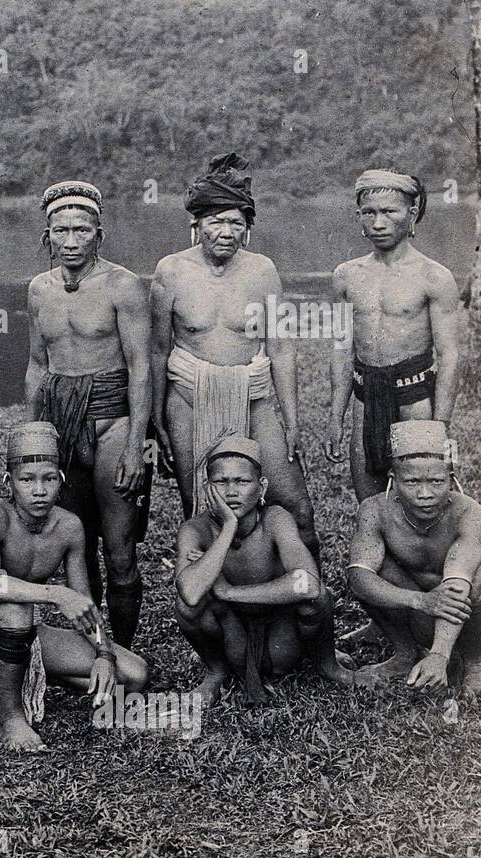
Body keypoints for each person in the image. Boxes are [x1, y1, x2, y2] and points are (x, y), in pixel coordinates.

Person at [150, 152, 319, 562]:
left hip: (252, 394)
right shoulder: (170, 272)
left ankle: (307, 601)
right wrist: (157, 423)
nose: (225, 231)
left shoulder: (263, 271)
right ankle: (219, 610)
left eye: (235, 223)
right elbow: (157, 351)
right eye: (216, 221)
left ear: (247, 230)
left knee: (296, 505)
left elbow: (280, 346)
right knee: (207, 510)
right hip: (189, 396)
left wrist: (292, 420)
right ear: (196, 225)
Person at [0, 422, 148, 752]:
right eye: (27, 480)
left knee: (134, 673)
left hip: (29, 632)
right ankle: (11, 720)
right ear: (10, 482)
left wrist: (104, 654)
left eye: (49, 479)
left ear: (61, 480)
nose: (39, 490)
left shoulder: (68, 526)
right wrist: (55, 594)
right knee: (15, 609)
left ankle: (44, 673)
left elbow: (81, 602)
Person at [25, 180, 152, 647]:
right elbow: (38, 364)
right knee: (76, 543)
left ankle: (123, 649)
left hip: (113, 418)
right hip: (61, 420)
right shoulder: (39, 288)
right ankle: (97, 649)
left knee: (119, 551)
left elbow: (140, 368)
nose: (71, 241)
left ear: (100, 233)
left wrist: (137, 445)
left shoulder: (123, 286)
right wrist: (32, 438)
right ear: (48, 235)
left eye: (82, 230)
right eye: (61, 231)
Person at [174, 435, 369, 706]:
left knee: (318, 599)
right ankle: (215, 671)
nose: (231, 491)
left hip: (281, 633)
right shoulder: (195, 529)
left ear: (261, 486)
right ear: (208, 488)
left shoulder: (276, 519)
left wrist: (229, 592)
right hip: (233, 635)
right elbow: (191, 595)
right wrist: (229, 526)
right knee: (186, 607)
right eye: (221, 482)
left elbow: (309, 584)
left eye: (242, 481)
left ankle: (329, 665)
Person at [326, 170, 463, 501]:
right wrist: (335, 417)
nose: (378, 223)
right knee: (370, 503)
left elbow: (449, 356)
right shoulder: (346, 276)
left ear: (412, 213)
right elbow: (342, 349)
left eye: (390, 211)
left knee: (421, 503)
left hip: (414, 398)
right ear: (358, 215)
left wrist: (438, 428)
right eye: (369, 212)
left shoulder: (434, 277)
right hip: (365, 396)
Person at [346, 420, 481, 694]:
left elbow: (459, 583)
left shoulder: (471, 514)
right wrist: (420, 600)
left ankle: (476, 665)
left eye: (437, 482)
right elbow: (358, 577)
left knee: (478, 579)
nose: (425, 494)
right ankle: (405, 655)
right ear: (393, 478)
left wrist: (438, 655)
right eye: (412, 481)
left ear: (451, 479)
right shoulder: (374, 510)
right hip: (426, 611)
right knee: (378, 572)